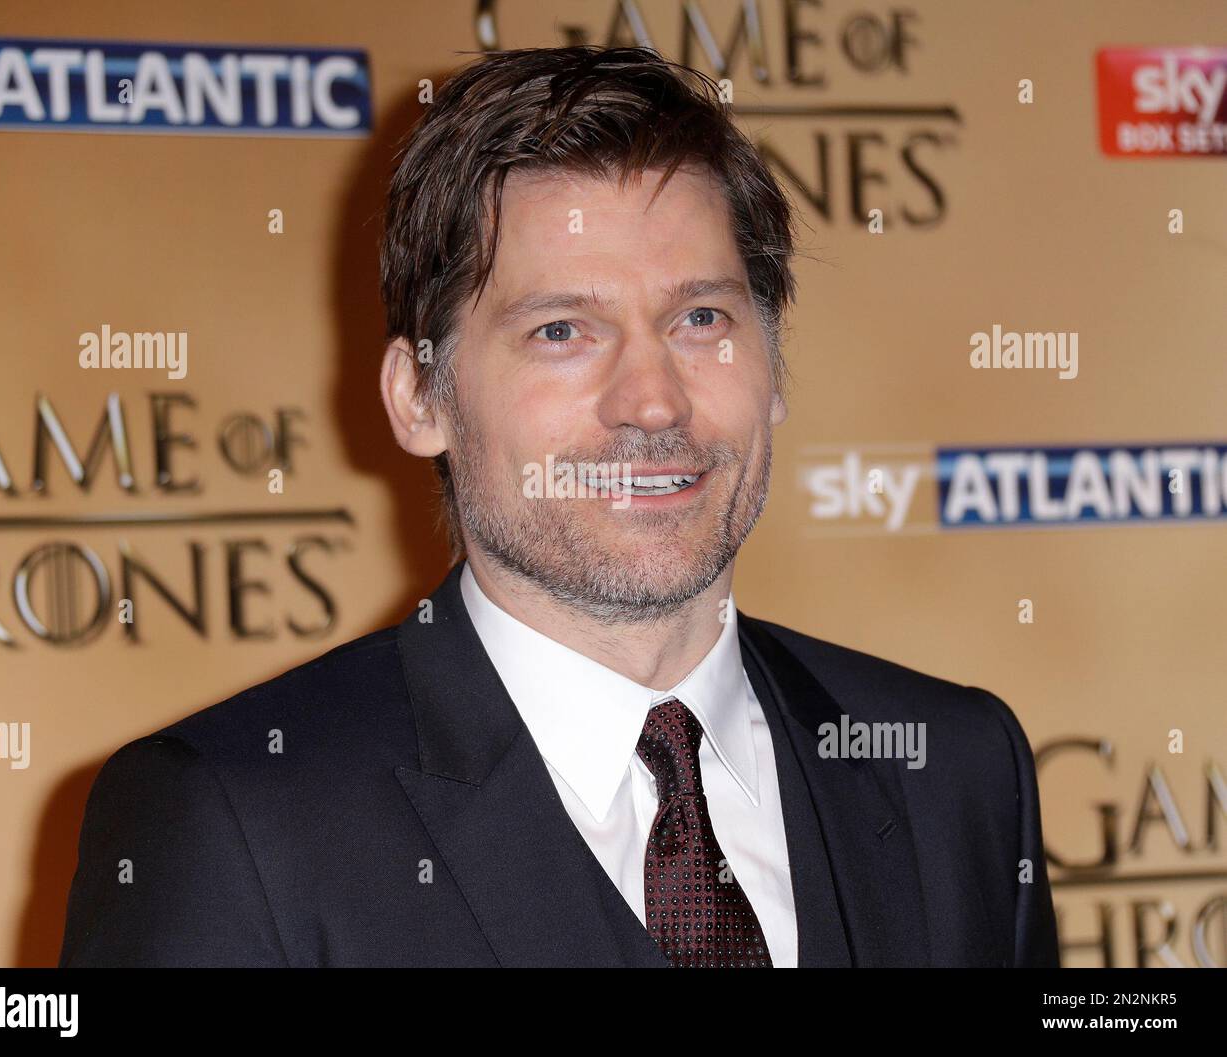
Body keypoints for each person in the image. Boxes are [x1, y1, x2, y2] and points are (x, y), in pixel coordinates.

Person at [59, 45, 1059, 968]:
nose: (653, 400)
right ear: (419, 397)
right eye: (561, 331)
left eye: (701, 318)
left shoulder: (954, 768)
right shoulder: (231, 819)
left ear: (774, 366)